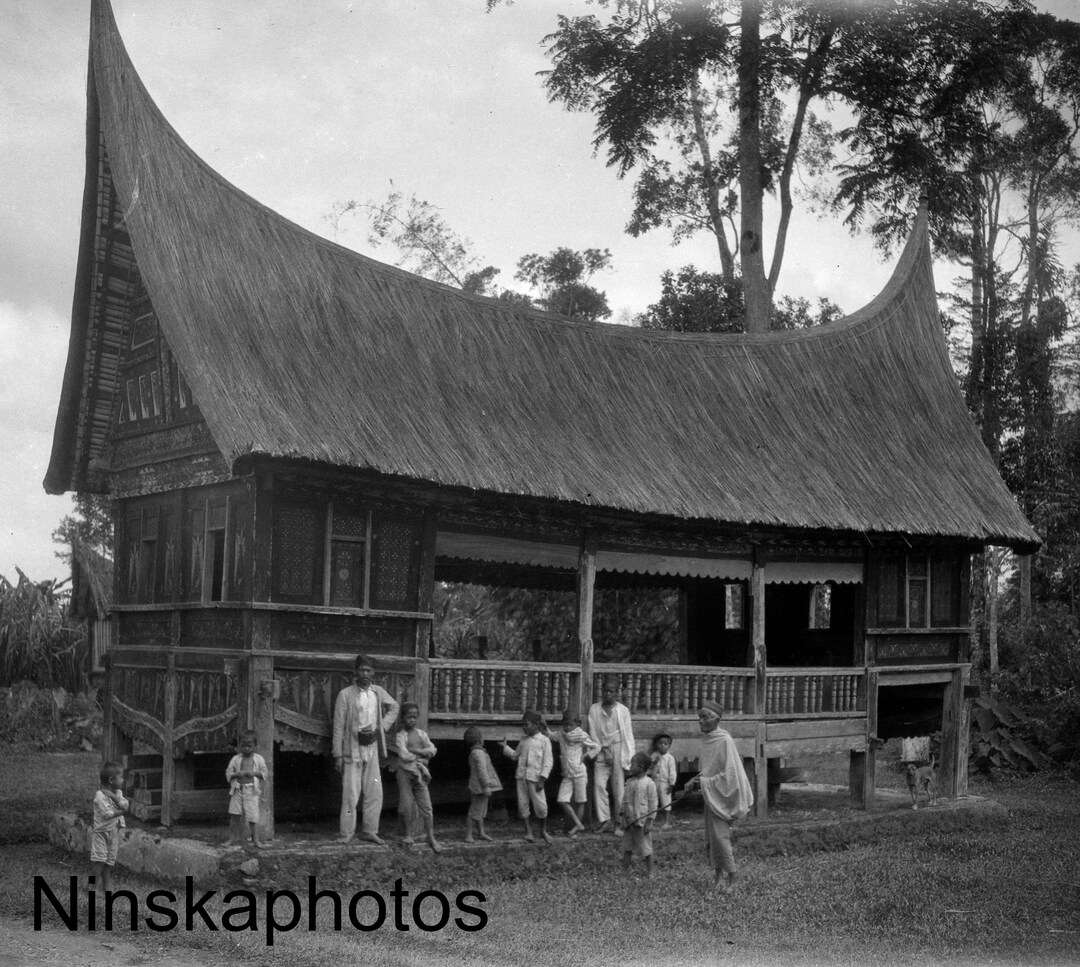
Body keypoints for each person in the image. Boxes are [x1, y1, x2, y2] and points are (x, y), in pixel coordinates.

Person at [683, 700, 754, 894]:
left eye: (705, 717)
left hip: (723, 795)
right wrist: (695, 780)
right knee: (711, 838)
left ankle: (733, 879)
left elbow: (730, 774)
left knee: (721, 838)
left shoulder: (725, 740)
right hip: (711, 795)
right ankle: (718, 877)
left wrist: (703, 783)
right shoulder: (707, 740)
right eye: (699, 717)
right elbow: (708, 770)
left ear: (717, 719)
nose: (701, 721)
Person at [332, 654, 399, 845]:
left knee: (374, 791)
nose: (365, 674)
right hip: (352, 750)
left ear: (373, 673)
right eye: (361, 670)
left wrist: (380, 729)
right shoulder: (345, 694)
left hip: (371, 748)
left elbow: (394, 707)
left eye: (368, 670)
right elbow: (338, 726)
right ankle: (346, 833)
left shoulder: (377, 692)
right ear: (355, 672)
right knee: (351, 793)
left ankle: (369, 830)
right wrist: (337, 754)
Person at [391, 702, 442, 852]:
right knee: (406, 805)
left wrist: (416, 751)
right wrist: (421, 753)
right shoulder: (401, 736)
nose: (411, 720)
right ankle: (408, 834)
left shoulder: (421, 734)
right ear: (402, 719)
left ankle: (431, 837)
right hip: (405, 773)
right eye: (408, 717)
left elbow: (433, 749)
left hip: (420, 773)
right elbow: (404, 755)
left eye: (414, 717)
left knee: (427, 807)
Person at [587, 681, 635, 834]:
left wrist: (629, 758)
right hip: (600, 748)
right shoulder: (595, 709)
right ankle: (605, 820)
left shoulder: (623, 711)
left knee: (618, 788)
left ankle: (619, 823)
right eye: (606, 691)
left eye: (611, 691)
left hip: (618, 748)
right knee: (599, 785)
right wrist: (603, 750)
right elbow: (593, 732)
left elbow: (627, 735)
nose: (608, 694)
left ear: (617, 693)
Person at [543, 709, 599, 837]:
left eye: (571, 725)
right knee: (562, 800)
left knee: (580, 801)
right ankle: (578, 823)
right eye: (565, 724)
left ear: (577, 724)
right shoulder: (561, 735)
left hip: (579, 773)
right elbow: (550, 735)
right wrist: (544, 726)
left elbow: (596, 746)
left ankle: (575, 829)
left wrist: (586, 755)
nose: (568, 727)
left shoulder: (581, 735)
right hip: (567, 774)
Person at [500, 709, 553, 844]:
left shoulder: (544, 741)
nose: (524, 727)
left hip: (536, 779)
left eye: (526, 724)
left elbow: (548, 762)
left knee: (541, 806)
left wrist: (543, 779)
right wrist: (506, 748)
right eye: (522, 724)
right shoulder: (523, 740)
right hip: (522, 777)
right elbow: (515, 756)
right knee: (523, 805)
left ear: (536, 725)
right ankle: (528, 831)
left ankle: (543, 830)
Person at [224, 730, 268, 848]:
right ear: (239, 746)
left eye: (249, 746)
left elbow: (264, 773)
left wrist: (253, 773)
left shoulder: (259, 759)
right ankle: (232, 838)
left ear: (255, 746)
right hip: (238, 789)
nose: (246, 748)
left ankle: (256, 840)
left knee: (253, 816)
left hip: (251, 791)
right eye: (243, 745)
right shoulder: (236, 759)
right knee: (234, 815)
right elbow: (228, 772)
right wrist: (236, 774)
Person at [90, 761, 128, 893]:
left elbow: (126, 805)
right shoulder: (99, 796)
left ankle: (107, 886)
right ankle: (92, 885)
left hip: (113, 831)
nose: (123, 779)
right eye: (121, 777)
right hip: (101, 833)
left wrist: (116, 799)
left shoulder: (117, 793)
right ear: (111, 780)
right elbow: (107, 814)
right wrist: (121, 810)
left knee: (108, 861)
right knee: (98, 861)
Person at [619, 751, 658, 876]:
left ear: (640, 767)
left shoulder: (649, 783)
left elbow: (653, 804)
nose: (630, 767)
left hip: (641, 821)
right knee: (627, 846)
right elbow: (624, 800)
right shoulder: (629, 782)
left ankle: (650, 871)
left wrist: (649, 821)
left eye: (632, 765)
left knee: (646, 846)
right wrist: (622, 815)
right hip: (629, 820)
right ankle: (625, 870)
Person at [464, 726, 502, 843]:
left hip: (478, 785)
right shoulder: (479, 753)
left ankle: (481, 832)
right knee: (474, 811)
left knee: (480, 810)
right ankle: (468, 835)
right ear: (480, 740)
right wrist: (486, 786)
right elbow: (482, 771)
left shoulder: (475, 752)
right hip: (480, 787)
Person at [648, 731, 677, 829]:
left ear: (669, 746)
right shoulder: (654, 755)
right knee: (653, 801)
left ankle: (667, 821)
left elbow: (672, 771)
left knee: (666, 801)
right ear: (656, 744)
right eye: (660, 743)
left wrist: (672, 784)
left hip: (665, 782)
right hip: (655, 781)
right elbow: (650, 768)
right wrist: (654, 762)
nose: (663, 746)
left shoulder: (670, 758)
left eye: (665, 744)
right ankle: (651, 821)